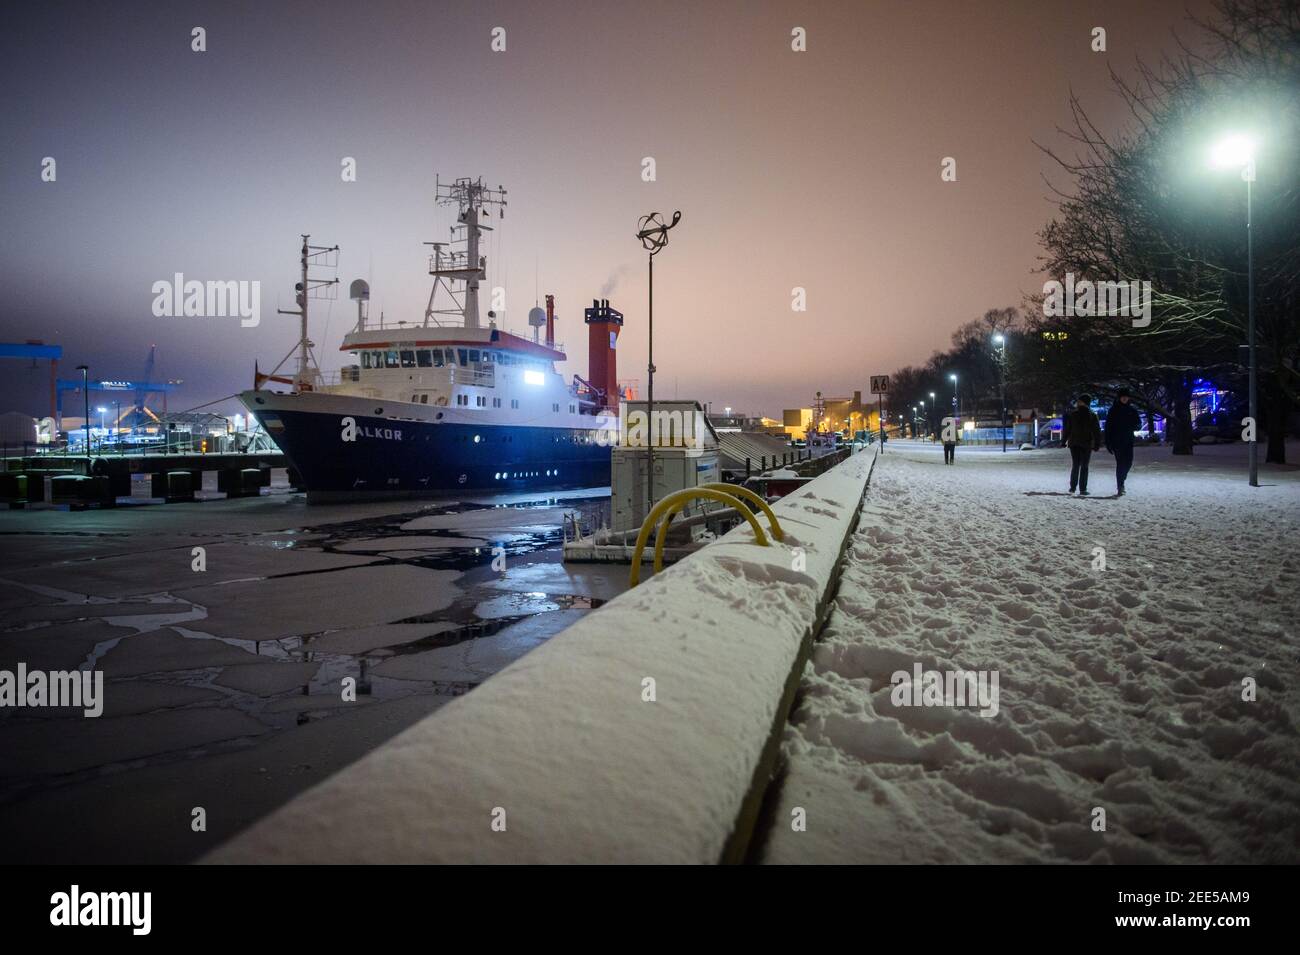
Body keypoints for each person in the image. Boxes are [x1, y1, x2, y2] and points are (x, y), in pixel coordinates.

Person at [1104, 389, 1142, 496]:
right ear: (1119, 398)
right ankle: (1120, 485)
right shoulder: (1113, 410)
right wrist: (1108, 442)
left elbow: (1138, 423)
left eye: (1126, 397)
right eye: (1122, 397)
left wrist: (1135, 426)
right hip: (1117, 441)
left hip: (1128, 440)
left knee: (1128, 463)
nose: (1124, 398)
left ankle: (1122, 480)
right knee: (1120, 463)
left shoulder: (1132, 410)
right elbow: (1108, 427)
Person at [1062, 393, 1101, 495]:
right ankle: (1083, 488)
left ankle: (1073, 487)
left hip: (1074, 443)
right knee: (1084, 466)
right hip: (1086, 443)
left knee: (1075, 465)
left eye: (1079, 401)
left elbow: (1067, 429)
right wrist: (1097, 443)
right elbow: (1096, 431)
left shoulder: (1073, 414)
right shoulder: (1092, 415)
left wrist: (1063, 441)